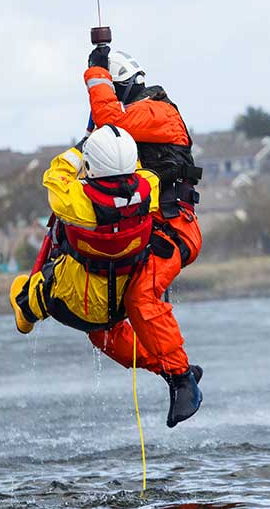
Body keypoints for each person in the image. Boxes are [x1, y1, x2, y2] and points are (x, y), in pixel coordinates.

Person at [82, 47, 205, 427]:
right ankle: (173, 372)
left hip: (173, 226)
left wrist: (94, 75)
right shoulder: (121, 125)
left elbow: (108, 121)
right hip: (135, 232)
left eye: (111, 90)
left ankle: (182, 377)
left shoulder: (158, 112)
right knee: (100, 327)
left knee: (141, 296)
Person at [8, 124, 157, 335]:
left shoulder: (75, 200)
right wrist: (117, 146)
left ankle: (26, 314)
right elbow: (139, 172)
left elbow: (57, 173)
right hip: (125, 305)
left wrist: (84, 144)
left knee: (39, 286)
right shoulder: (151, 189)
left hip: (73, 307)